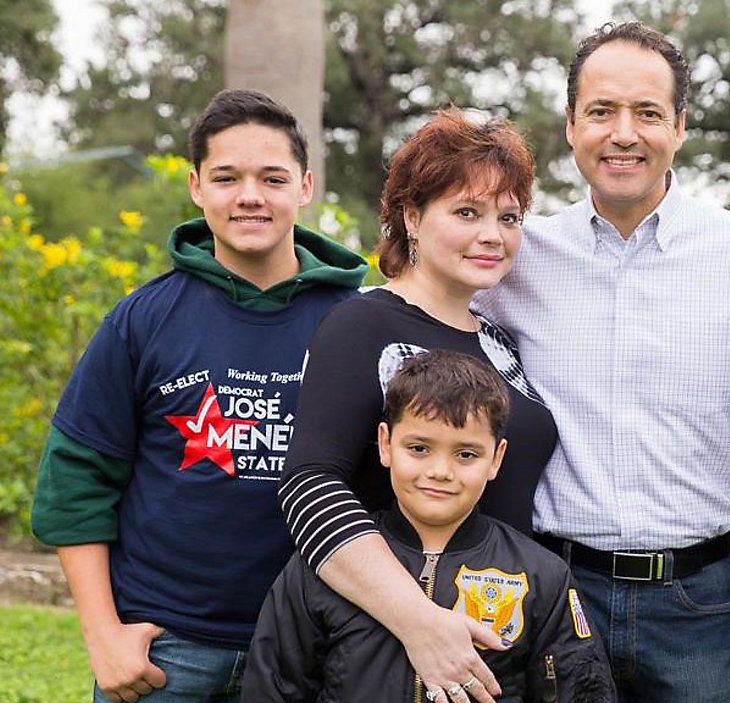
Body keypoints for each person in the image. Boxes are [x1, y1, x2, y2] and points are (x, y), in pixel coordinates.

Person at [284, 23, 730, 703]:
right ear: (571, 126)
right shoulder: (517, 255)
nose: (623, 134)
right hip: (554, 586)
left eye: (646, 111)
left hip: (697, 600)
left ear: (679, 127)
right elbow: (420, 307)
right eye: (601, 111)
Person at [31, 88, 367, 703]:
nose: (249, 196)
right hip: (163, 648)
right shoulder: (143, 319)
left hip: (309, 646)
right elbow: (74, 484)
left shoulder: (357, 323)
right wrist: (103, 634)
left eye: (272, 177)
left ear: (305, 186)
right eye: (226, 177)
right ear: (195, 187)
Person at [278, 109, 556, 701]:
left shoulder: (498, 340)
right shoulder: (362, 324)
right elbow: (308, 486)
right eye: (467, 212)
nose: (493, 235)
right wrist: (419, 622)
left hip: (499, 630)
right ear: (411, 217)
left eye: (509, 218)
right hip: (391, 641)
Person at [246, 351, 613, 702]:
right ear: (386, 444)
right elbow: (273, 686)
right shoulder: (325, 567)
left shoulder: (542, 576)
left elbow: (582, 688)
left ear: (496, 458)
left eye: (465, 454)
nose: (440, 471)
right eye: (419, 448)